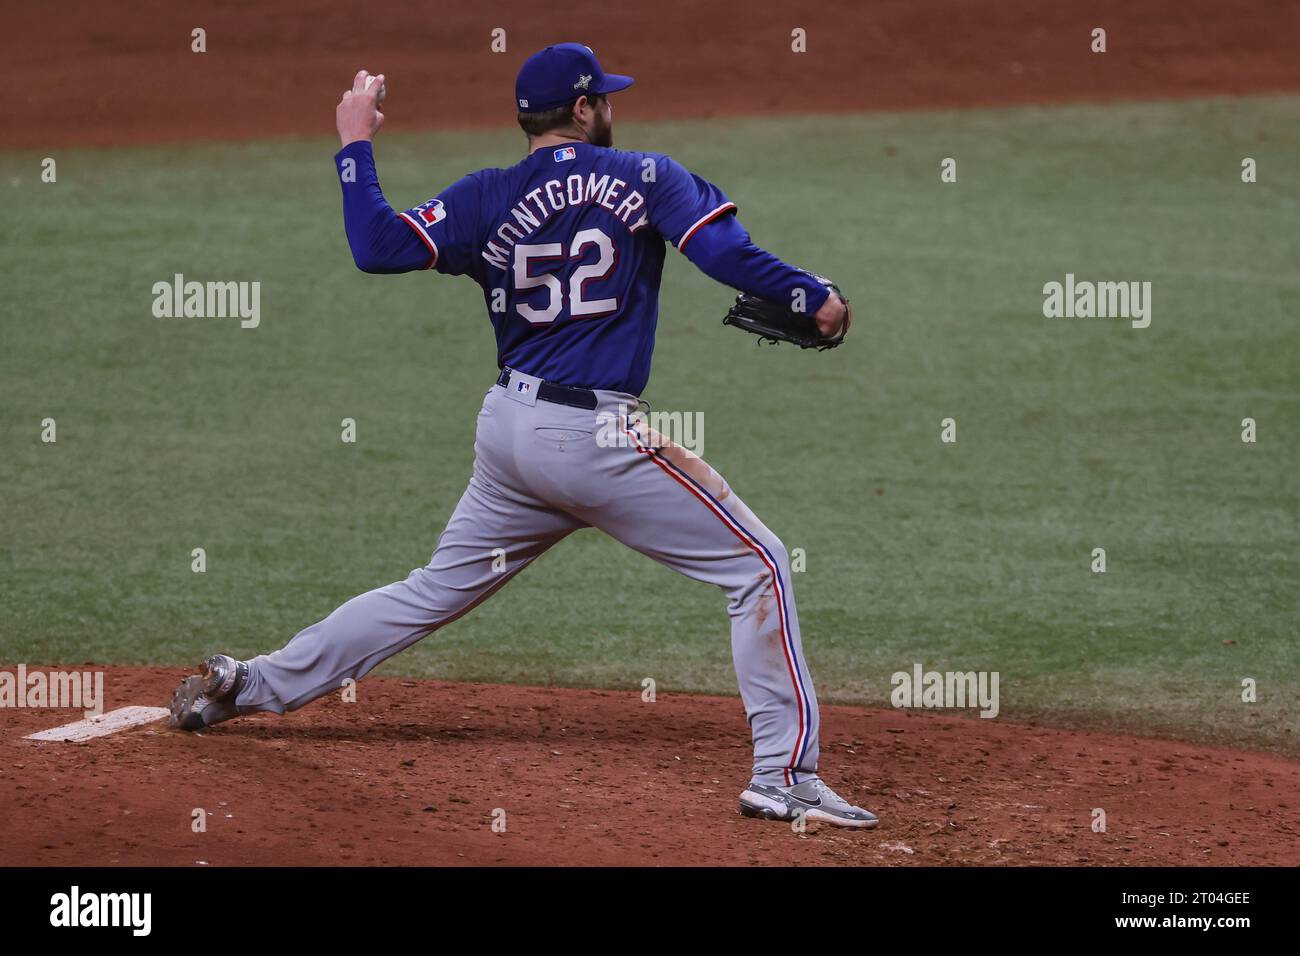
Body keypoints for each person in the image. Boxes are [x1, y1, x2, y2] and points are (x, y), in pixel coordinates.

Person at [169, 43, 875, 829]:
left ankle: (251, 685)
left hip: (510, 435)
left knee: (431, 590)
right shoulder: (647, 176)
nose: (611, 107)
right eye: (602, 97)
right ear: (583, 110)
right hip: (595, 441)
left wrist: (354, 143)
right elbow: (725, 253)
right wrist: (812, 295)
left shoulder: (486, 195)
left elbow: (376, 247)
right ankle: (784, 776)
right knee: (761, 566)